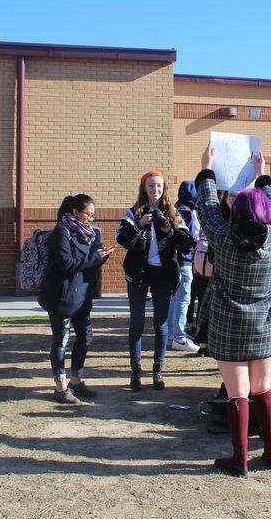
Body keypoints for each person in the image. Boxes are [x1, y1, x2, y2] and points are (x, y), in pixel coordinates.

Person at [196, 145, 271, 476]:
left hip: (229, 324)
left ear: (235, 213)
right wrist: (262, 174)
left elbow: (206, 208)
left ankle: (240, 458)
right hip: (266, 323)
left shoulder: (223, 237)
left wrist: (207, 170)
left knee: (238, 393)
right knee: (263, 388)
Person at [117, 170, 195, 392]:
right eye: (151, 186)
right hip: (138, 273)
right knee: (137, 324)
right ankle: (135, 371)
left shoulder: (173, 213)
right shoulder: (134, 212)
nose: (155, 190)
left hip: (164, 274)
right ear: (144, 188)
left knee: (161, 325)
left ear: (164, 188)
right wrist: (139, 225)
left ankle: (158, 371)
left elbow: (188, 242)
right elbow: (121, 237)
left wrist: (169, 230)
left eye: (159, 186)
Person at [38, 194, 115, 403]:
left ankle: (76, 380)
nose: (90, 219)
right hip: (62, 297)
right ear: (74, 212)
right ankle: (60, 387)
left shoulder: (87, 233)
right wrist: (94, 258)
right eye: (87, 214)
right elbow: (67, 264)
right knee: (61, 340)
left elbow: (86, 263)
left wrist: (101, 257)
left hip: (81, 297)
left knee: (85, 337)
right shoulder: (61, 232)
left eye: (93, 215)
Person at [167, 180, 199, 352]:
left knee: (177, 297)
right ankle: (179, 335)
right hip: (183, 261)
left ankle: (173, 333)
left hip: (179, 261)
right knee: (183, 297)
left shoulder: (177, 209)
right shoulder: (185, 212)